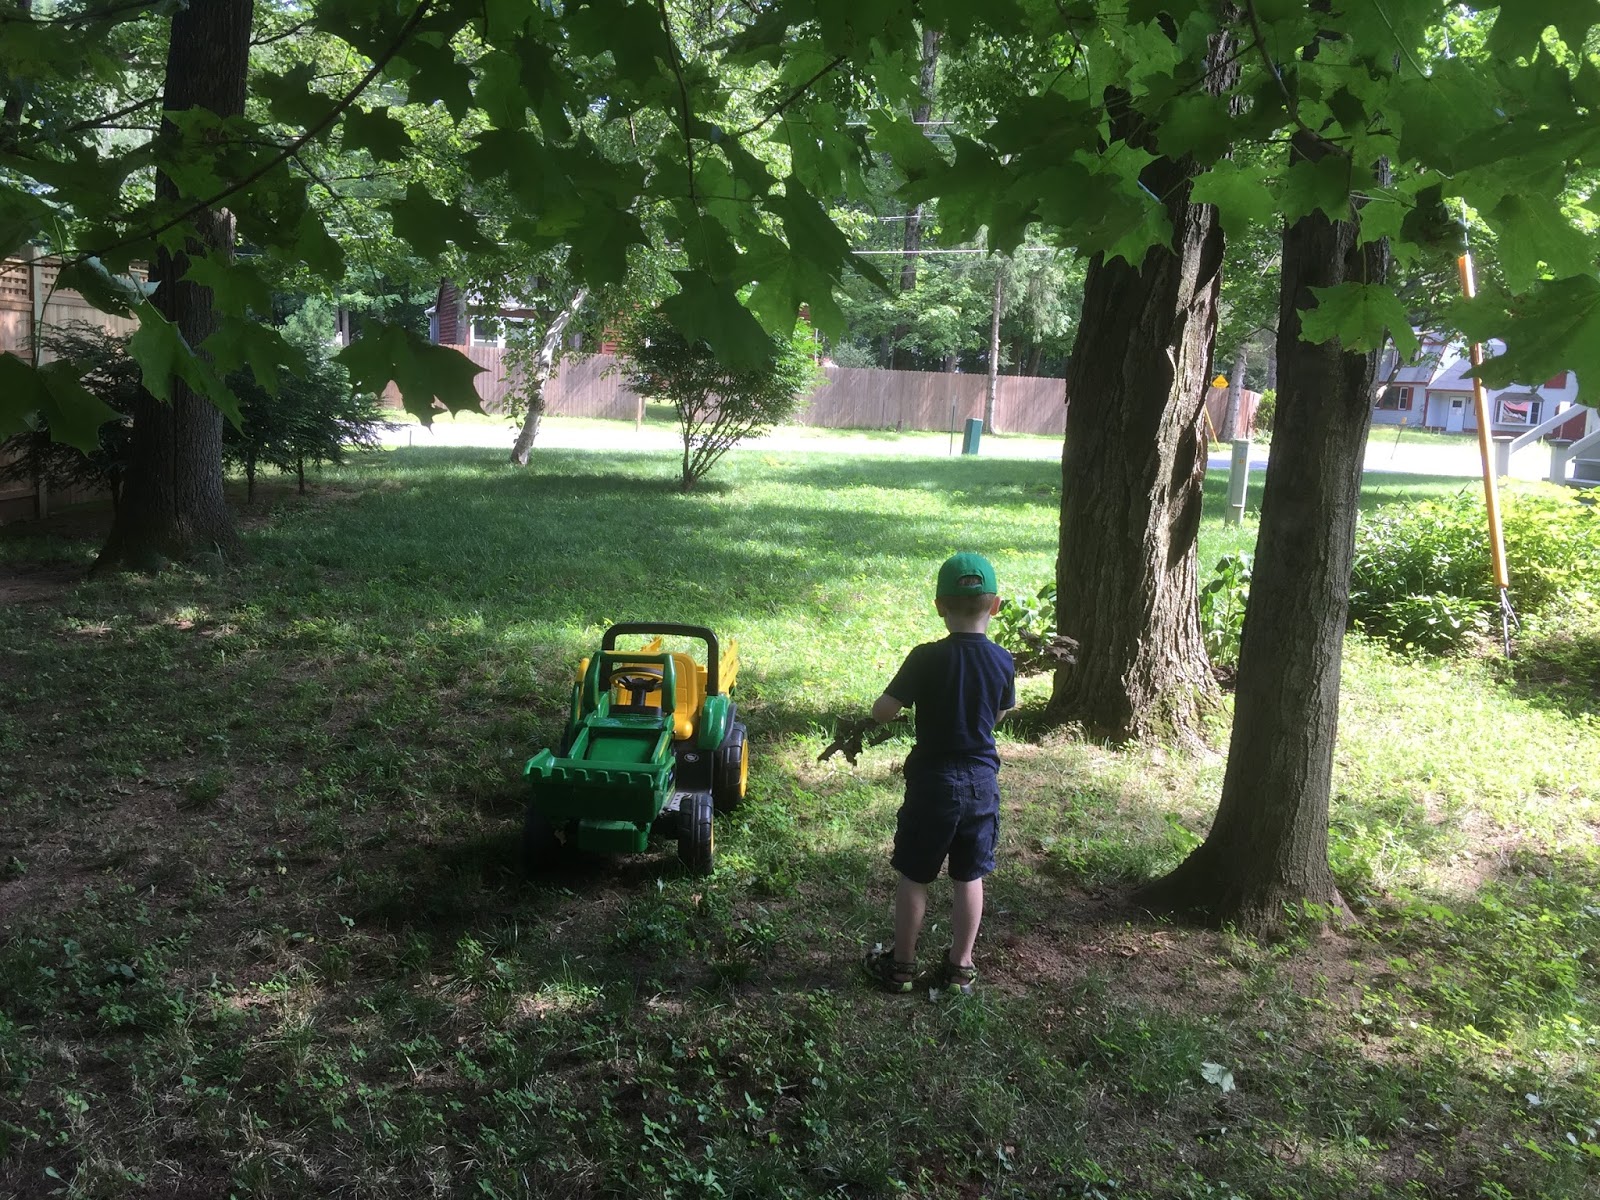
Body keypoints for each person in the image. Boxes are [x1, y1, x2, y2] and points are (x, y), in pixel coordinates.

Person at [861, 551, 1016, 995]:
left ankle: (902, 967)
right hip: (982, 781)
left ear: (939, 606)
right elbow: (1000, 713)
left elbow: (882, 711)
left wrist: (891, 710)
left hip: (933, 783)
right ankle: (960, 968)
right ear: (995, 606)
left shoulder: (925, 658)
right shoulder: (1002, 660)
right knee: (970, 875)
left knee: (915, 874)